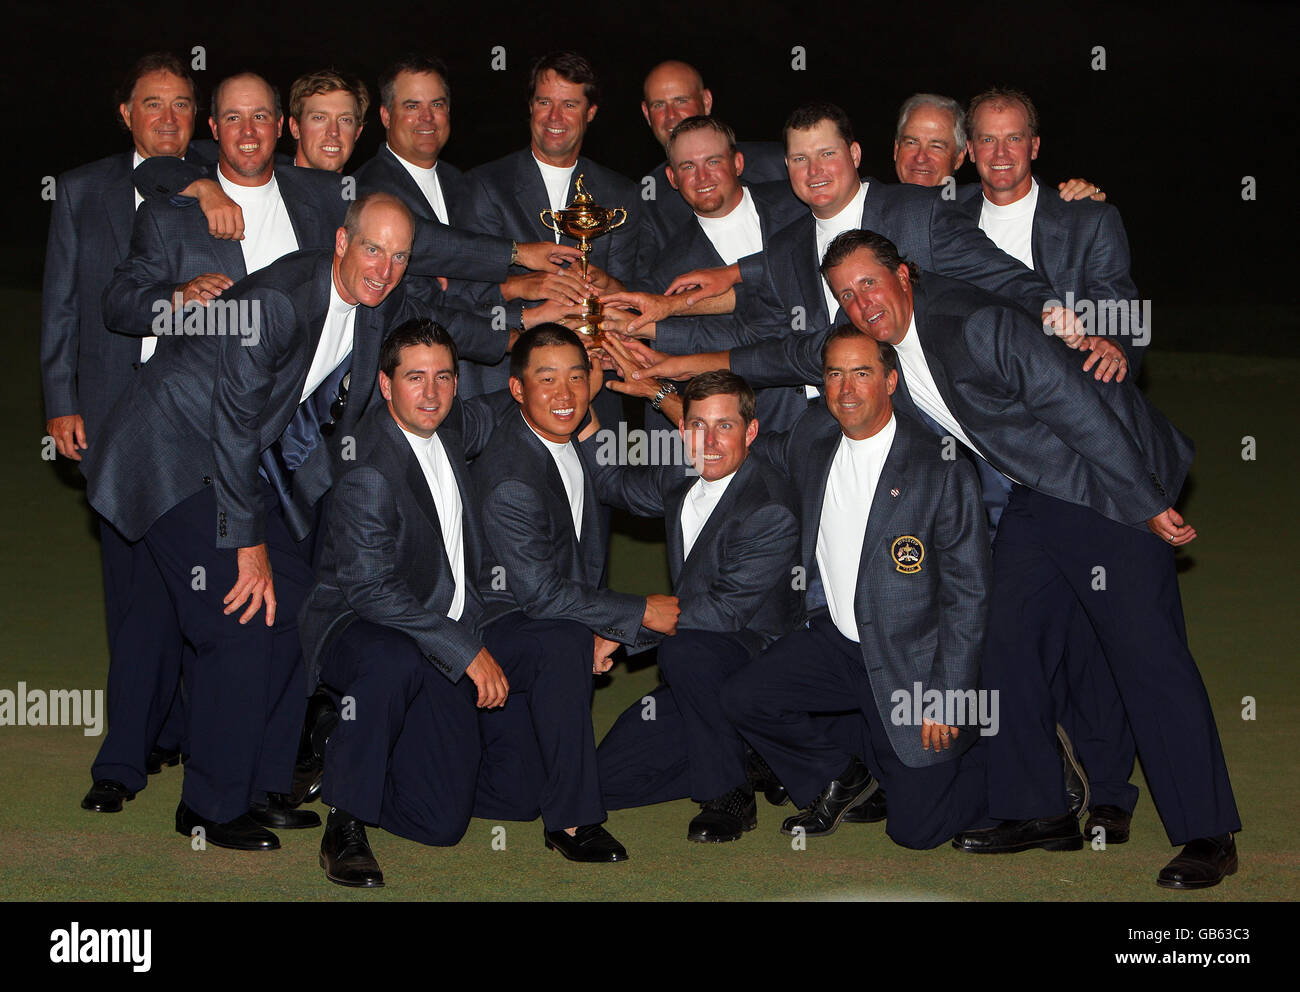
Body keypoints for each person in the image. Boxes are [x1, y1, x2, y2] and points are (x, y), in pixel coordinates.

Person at [721, 228, 1241, 888]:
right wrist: (676, 366)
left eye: (870, 284)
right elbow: (794, 353)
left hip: (1105, 486)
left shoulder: (973, 323)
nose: (861, 303)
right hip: (1037, 496)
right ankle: (1037, 810)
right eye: (846, 296)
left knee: (1147, 656)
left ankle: (1208, 833)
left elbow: (1075, 405)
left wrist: (1146, 499)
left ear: (904, 275)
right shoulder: (879, 349)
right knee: (1002, 642)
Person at [81, 193, 434, 851]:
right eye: (372, 249)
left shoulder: (374, 307)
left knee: (298, 602)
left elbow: (449, 326)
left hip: (224, 461)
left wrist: (529, 314)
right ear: (341, 242)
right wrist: (247, 545)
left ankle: (263, 785)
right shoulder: (279, 300)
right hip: (168, 453)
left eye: (398, 255)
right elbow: (237, 427)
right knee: (241, 612)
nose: (384, 268)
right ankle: (210, 809)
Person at [721, 328, 993, 849]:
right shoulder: (813, 439)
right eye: (835, 374)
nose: (846, 389)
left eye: (862, 373)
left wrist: (946, 693)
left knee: (917, 833)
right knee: (743, 696)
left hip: (912, 660)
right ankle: (841, 776)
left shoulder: (940, 468)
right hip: (838, 644)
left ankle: (1007, 759)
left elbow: (970, 594)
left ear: (891, 380)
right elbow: (739, 445)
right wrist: (663, 395)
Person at [959, 86, 1146, 841]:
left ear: (1036, 145)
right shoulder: (941, 224)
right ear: (969, 150)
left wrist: (1112, 342)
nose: (1000, 154)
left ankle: (1107, 792)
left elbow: (1117, 304)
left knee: (1087, 628)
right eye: (986, 140)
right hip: (977, 459)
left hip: (1069, 453)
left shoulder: (1087, 216)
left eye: (1015, 139)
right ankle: (1034, 797)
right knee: (1008, 636)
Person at [42, 52, 201, 814]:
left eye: (181, 104)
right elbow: (63, 305)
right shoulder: (82, 190)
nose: (168, 118)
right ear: (126, 113)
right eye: (152, 104)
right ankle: (131, 745)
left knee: (189, 587)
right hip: (110, 413)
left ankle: (167, 730)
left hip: (195, 422)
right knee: (130, 583)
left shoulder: (217, 184)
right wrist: (60, 399)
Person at [299, 318, 511, 886]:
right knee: (390, 660)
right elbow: (370, 589)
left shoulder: (451, 425)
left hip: (429, 626)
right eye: (415, 378)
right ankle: (345, 823)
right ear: (386, 384)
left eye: (444, 376)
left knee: (439, 824)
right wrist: (461, 648)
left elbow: (511, 407)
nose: (432, 392)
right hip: (356, 622)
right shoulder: (370, 465)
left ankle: (335, 741)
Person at [469, 325, 680, 862]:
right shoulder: (513, 471)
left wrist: (675, 409)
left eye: (576, 379)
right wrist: (633, 614)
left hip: (549, 617)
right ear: (517, 390)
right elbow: (539, 597)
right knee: (566, 637)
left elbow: (638, 493)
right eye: (547, 380)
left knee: (514, 797)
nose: (565, 395)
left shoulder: (574, 437)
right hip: (496, 629)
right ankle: (572, 822)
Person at [583, 369, 800, 842]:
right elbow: (612, 484)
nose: (711, 441)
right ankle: (748, 751)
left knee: (688, 651)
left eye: (725, 426)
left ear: (751, 431)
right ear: (683, 432)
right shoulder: (680, 477)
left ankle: (729, 794)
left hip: (759, 659)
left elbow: (724, 613)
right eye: (699, 425)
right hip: (697, 671)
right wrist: (582, 414)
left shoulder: (768, 507)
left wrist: (624, 628)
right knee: (603, 781)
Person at [461, 51, 643, 398]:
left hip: (592, 380)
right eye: (545, 102)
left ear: (591, 113)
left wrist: (605, 291)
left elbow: (635, 298)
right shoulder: (485, 185)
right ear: (530, 106)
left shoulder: (622, 195)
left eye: (570, 105)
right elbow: (467, 297)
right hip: (505, 383)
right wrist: (531, 295)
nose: (555, 116)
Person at [637, 60, 788, 255]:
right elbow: (651, 282)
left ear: (706, 102)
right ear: (646, 113)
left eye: (681, 101)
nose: (671, 115)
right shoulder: (647, 203)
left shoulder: (780, 165)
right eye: (658, 105)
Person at [288, 69, 368, 172]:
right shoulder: (267, 185)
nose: (333, 132)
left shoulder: (369, 186)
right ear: (295, 128)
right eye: (319, 118)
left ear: (357, 132)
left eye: (345, 120)